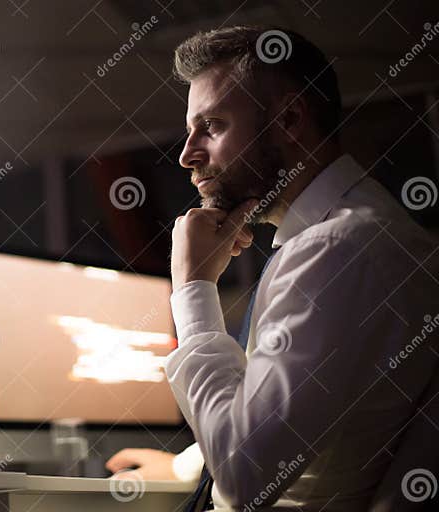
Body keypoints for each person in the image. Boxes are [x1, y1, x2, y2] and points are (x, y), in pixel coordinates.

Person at [106, 25, 439, 511]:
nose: (186, 155)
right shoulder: (355, 233)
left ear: (289, 119)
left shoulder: (335, 250)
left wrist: (193, 287)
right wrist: (183, 467)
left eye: (211, 126)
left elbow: (245, 477)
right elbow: (308, 415)